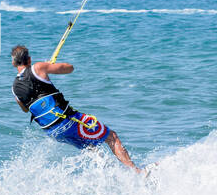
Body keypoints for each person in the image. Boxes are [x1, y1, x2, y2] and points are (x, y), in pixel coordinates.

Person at [10, 44, 141, 171]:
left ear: (14, 63)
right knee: (111, 136)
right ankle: (137, 172)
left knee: (90, 148)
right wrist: (49, 66)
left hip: (53, 132)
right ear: (29, 59)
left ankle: (113, 175)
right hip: (68, 121)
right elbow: (70, 68)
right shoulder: (38, 67)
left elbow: (25, 109)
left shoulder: (14, 89)